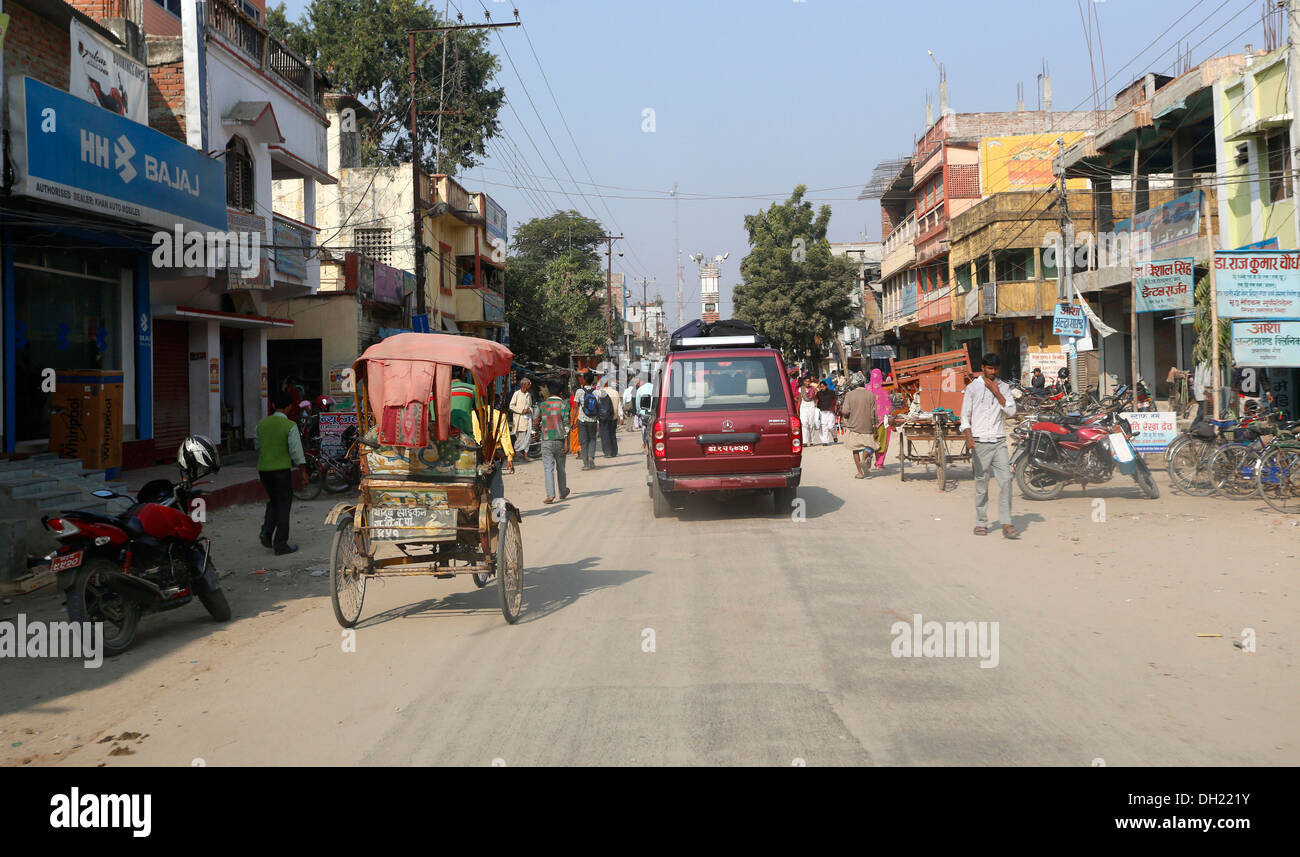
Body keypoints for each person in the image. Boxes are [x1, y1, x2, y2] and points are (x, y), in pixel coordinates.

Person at [960, 353, 1019, 539]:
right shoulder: (972, 388)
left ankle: (1006, 522)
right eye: (989, 368)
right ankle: (981, 522)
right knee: (981, 484)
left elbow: (1011, 412)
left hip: (999, 441)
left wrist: (996, 392)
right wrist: (968, 437)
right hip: (979, 442)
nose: (992, 372)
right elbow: (964, 416)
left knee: (1006, 481)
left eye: (995, 369)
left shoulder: (1003, 387)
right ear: (983, 368)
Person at [256, 389, 307, 555]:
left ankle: (266, 531)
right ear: (289, 408)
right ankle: (280, 543)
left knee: (274, 501)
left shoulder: (261, 424)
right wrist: (303, 472)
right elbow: (296, 452)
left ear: (272, 405)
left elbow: (257, 446)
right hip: (281, 470)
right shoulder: (290, 426)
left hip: (264, 470)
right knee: (284, 505)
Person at [538, 384, 572, 504]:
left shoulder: (542, 405)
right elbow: (567, 424)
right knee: (561, 468)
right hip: (560, 440)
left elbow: (536, 420)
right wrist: (567, 442)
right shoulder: (563, 405)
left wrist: (537, 430)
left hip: (546, 440)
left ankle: (550, 495)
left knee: (548, 468)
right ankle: (562, 491)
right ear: (560, 393)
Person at [839, 373, 878, 478]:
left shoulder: (849, 395)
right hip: (868, 426)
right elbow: (874, 413)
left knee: (855, 449)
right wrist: (875, 427)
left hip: (854, 427)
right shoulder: (870, 395)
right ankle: (865, 459)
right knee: (870, 446)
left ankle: (860, 473)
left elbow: (845, 411)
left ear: (853, 384)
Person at [472, 400, 516, 476]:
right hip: (492, 455)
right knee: (496, 484)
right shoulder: (499, 415)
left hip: (476, 454)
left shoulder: (472, 415)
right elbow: (505, 437)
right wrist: (509, 457)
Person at [867, 368, 894, 470]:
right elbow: (894, 396)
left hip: (870, 419)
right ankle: (879, 463)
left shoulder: (867, 387)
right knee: (883, 441)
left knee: (870, 440)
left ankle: (868, 456)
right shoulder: (887, 385)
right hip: (885, 419)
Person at [574, 371, 599, 470]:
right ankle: (590, 457)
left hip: (582, 420)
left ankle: (586, 464)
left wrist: (572, 421)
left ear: (584, 380)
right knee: (592, 439)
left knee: (584, 441)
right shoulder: (596, 392)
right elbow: (598, 406)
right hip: (592, 420)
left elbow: (576, 407)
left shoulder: (579, 391)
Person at [509, 378, 534, 462]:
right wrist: (522, 410)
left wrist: (529, 410)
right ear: (524, 385)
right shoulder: (516, 394)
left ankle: (526, 455)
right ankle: (516, 454)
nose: (530, 385)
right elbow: (511, 406)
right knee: (520, 438)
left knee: (528, 438)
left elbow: (530, 406)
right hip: (519, 421)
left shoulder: (528, 395)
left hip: (527, 420)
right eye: (528, 384)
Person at [596, 378, 620, 457]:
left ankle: (607, 452)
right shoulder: (615, 392)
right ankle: (614, 451)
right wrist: (621, 416)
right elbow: (619, 406)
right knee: (612, 434)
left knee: (605, 434)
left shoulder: (599, 393)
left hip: (603, 417)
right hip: (614, 417)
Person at [450, 368, 477, 435]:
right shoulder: (472, 389)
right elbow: (481, 415)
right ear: (463, 371)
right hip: (465, 437)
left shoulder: (433, 393)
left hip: (438, 441)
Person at [815, 380, 837, 445]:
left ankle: (834, 436)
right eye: (821, 387)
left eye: (823, 386)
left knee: (831, 427)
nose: (822, 388)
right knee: (824, 426)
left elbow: (835, 400)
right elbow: (816, 400)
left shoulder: (832, 392)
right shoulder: (818, 393)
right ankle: (825, 441)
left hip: (830, 411)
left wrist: (835, 408)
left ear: (826, 386)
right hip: (822, 411)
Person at [798, 378, 819, 446]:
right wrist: (798, 410)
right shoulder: (801, 389)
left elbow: (816, 398)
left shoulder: (813, 389)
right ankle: (805, 441)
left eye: (808, 381)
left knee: (811, 424)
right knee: (804, 423)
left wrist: (816, 404)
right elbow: (799, 400)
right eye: (806, 381)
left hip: (811, 406)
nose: (807, 383)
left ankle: (812, 441)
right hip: (803, 407)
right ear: (804, 382)